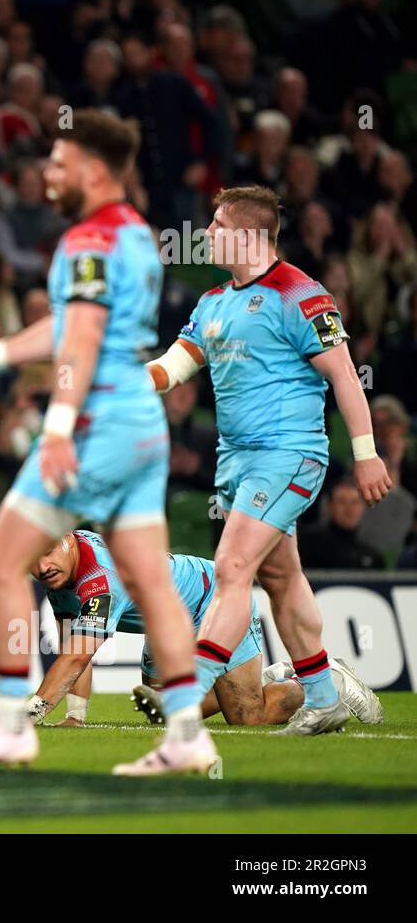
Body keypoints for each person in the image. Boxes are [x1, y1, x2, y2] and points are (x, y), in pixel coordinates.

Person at [0, 110, 214, 774]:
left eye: (59, 163)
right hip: (145, 426)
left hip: (98, 424)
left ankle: (7, 727)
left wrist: (57, 429)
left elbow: (79, 339)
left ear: (94, 170)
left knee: (1, 560)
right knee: (152, 580)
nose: (46, 174)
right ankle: (187, 736)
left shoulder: (86, 238)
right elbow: (68, 321)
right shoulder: (136, 234)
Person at [145, 185, 392, 736]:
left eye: (216, 224)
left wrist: (367, 454)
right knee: (282, 577)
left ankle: (186, 692)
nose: (206, 234)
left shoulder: (300, 294)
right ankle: (325, 698)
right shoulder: (212, 302)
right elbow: (174, 367)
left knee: (233, 567)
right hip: (235, 460)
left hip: (290, 455)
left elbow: (346, 377)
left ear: (249, 235)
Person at [28, 530, 383, 728]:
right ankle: (259, 679)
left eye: (47, 552)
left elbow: (77, 656)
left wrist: (34, 710)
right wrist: (75, 717)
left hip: (213, 598)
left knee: (248, 717)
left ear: (67, 539)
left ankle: (324, 680)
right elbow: (73, 647)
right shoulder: (60, 574)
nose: (42, 567)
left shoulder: (99, 577)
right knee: (164, 712)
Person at [298, 477, 386, 570]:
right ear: (329, 506)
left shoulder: (374, 555)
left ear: (363, 507)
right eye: (341, 502)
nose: (349, 510)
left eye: (355, 502)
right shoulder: (310, 543)